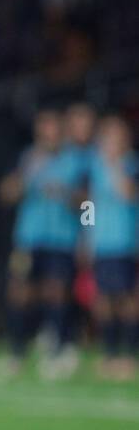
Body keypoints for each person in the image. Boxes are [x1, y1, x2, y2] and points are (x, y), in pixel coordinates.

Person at [0, 110, 83, 381]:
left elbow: (89, 204)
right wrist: (21, 180)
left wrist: (68, 196)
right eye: (43, 129)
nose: (47, 134)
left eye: (52, 128)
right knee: (18, 292)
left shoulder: (75, 161)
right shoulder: (28, 158)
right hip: (28, 238)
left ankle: (58, 349)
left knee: (55, 292)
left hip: (62, 238)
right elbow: (5, 195)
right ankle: (16, 354)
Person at [86, 116, 137, 380]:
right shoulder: (96, 167)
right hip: (101, 243)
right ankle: (109, 354)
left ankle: (130, 355)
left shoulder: (130, 164)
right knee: (104, 300)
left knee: (127, 299)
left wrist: (115, 164)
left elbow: (128, 194)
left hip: (125, 241)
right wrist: (87, 235)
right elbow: (91, 204)